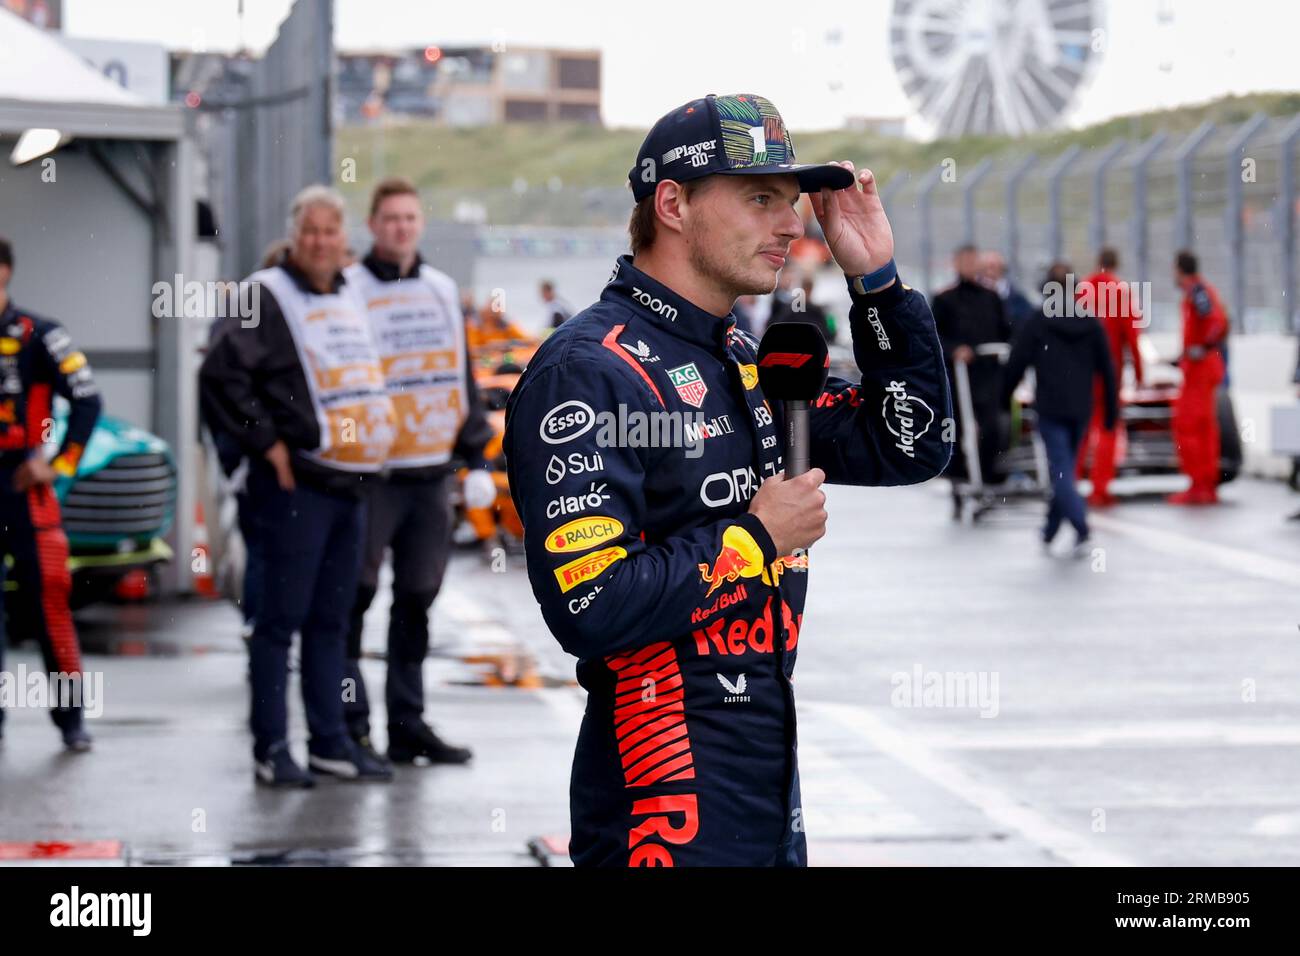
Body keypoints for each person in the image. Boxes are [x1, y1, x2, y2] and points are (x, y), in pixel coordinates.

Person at [503, 93, 951, 866]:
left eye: (792, 202)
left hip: (764, 787)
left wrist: (877, 283)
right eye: (759, 199)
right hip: (662, 806)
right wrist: (754, 539)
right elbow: (592, 605)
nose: (791, 226)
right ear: (672, 205)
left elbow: (909, 443)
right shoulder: (590, 371)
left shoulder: (745, 358)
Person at [199, 185, 396, 787]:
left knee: (331, 622)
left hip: (349, 483)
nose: (320, 241)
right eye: (310, 230)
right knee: (277, 624)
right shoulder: (263, 294)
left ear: (343, 238)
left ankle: (330, 742)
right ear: (294, 236)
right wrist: (267, 444)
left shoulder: (350, 291)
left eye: (330, 231)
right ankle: (272, 748)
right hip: (293, 487)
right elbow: (219, 374)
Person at [343, 177, 495, 765]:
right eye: (390, 218)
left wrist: (476, 456)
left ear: (420, 223)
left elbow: (459, 375)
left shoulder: (441, 289)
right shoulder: (349, 288)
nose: (401, 227)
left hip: (431, 475)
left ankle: (407, 727)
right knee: (353, 599)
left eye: (409, 217)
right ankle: (350, 727)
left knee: (417, 600)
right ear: (372, 225)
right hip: (371, 475)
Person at [0, 236, 102, 752]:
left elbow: (88, 399)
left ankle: (71, 719)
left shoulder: (40, 333)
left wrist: (58, 464)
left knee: (50, 601)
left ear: (6, 271)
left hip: (25, 486)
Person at [1001, 262, 1118, 557]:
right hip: (1081, 407)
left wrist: (1003, 398)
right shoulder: (1091, 323)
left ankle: (1081, 528)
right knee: (1064, 469)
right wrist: (1111, 410)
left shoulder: (1038, 321)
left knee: (1062, 470)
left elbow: (1017, 362)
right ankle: (1050, 529)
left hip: (1051, 407)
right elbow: (1107, 368)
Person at [932, 244, 1011, 511]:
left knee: (992, 428)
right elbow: (934, 337)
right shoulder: (945, 299)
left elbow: (1005, 331)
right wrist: (955, 350)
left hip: (987, 375)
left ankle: (986, 480)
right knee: (957, 430)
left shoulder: (991, 298)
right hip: (958, 378)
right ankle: (959, 481)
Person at [1075, 247, 1144, 507]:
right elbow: (1132, 335)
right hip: (1109, 372)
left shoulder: (1081, 289)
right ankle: (1100, 488)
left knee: (1080, 429)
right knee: (1107, 428)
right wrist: (1139, 373)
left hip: (1081, 371)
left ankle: (1069, 483)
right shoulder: (1121, 291)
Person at [1169, 250, 1229, 505]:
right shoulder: (1198, 291)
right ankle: (1205, 484)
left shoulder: (1197, 291)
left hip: (1200, 370)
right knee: (1204, 427)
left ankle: (1199, 484)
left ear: (1180, 270)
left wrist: (1200, 349)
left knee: (1189, 425)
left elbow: (1217, 322)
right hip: (1201, 367)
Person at [766, 271, 836, 343]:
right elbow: (831, 331)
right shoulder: (791, 308)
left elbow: (831, 331)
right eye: (807, 288)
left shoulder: (816, 310)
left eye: (808, 289)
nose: (807, 292)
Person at [981, 250, 1035, 335]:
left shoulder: (1018, 300)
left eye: (993, 267)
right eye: (986, 267)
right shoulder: (971, 297)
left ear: (1002, 269)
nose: (990, 271)